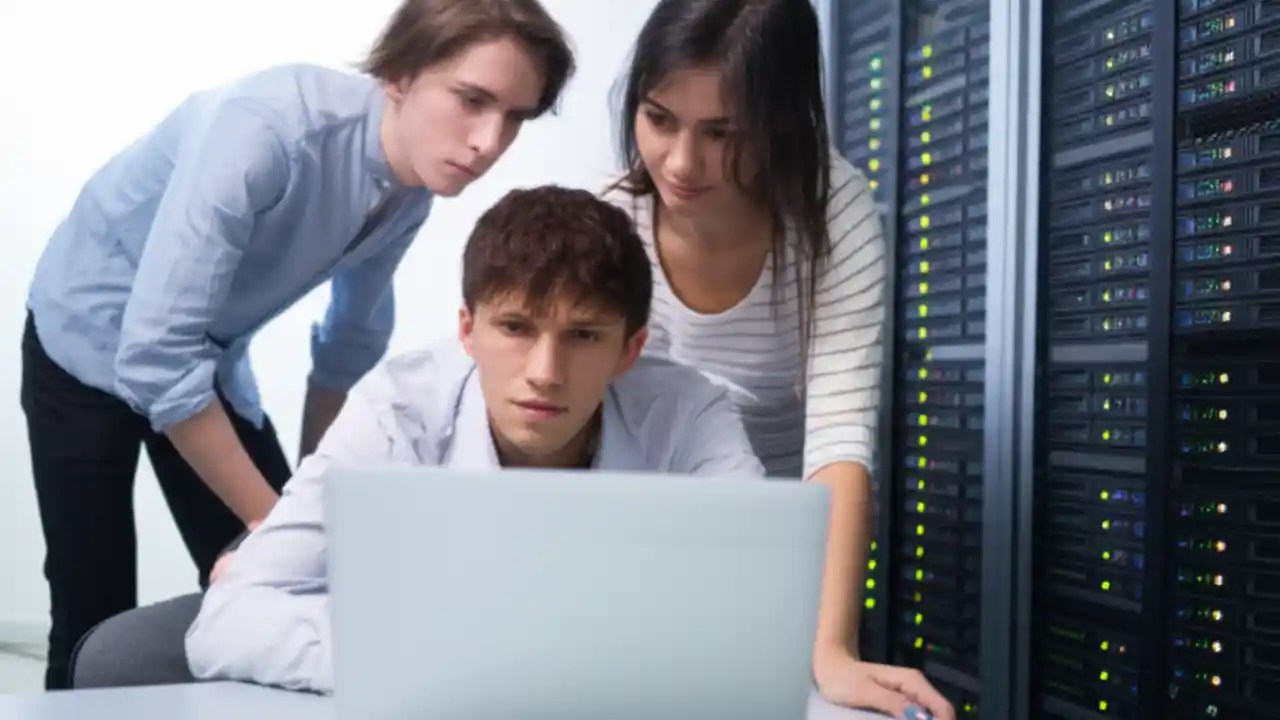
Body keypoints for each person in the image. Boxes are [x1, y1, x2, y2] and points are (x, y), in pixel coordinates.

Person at [20, 0, 574, 690]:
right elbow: (155, 354)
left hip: (204, 353)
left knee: (279, 589)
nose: (489, 142)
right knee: (91, 597)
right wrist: (271, 519)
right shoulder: (264, 132)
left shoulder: (412, 189)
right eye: (472, 100)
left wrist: (319, 494)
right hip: (85, 338)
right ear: (400, 73)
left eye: (515, 117)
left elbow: (348, 343)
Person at [180, 185, 765, 693]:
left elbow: (759, 614)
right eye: (515, 327)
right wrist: (443, 656)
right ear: (468, 330)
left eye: (583, 336)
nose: (545, 371)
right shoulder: (396, 411)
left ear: (629, 351)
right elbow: (228, 622)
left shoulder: (689, 414)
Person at [601, 2, 954, 719]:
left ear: (779, 120)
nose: (679, 161)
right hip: (643, 541)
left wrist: (832, 652)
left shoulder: (833, 212)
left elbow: (839, 437)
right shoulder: (611, 219)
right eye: (659, 118)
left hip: (782, 538)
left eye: (720, 132)